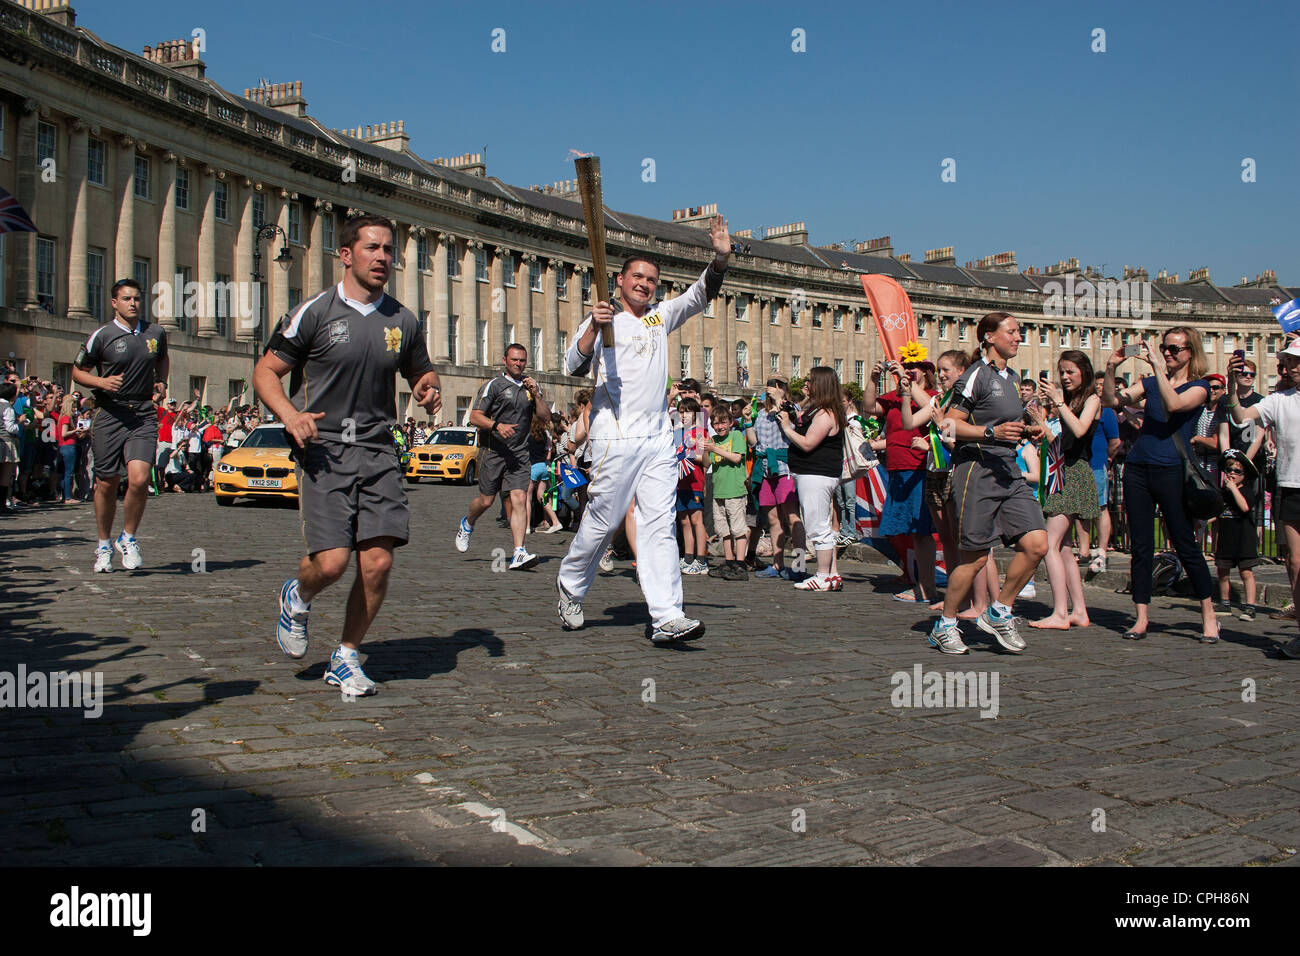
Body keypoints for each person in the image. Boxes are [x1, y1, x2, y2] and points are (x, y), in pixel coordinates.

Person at [254, 214, 442, 696]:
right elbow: (265, 374)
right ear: (345, 254)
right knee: (334, 563)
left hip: (379, 449)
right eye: (373, 248)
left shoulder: (401, 319)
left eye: (389, 249)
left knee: (377, 562)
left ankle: (346, 655)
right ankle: (298, 595)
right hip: (325, 449)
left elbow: (421, 372)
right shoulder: (313, 313)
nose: (383, 257)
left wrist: (428, 390)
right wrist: (289, 416)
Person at [555, 214, 732, 644]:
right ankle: (571, 586)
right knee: (604, 519)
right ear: (619, 280)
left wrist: (722, 258)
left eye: (652, 279)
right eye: (638, 276)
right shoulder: (601, 317)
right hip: (614, 433)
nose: (645, 284)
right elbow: (572, 365)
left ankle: (667, 615)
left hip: (656, 437)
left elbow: (699, 294)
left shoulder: (660, 317)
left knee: (658, 522)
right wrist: (594, 329)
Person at [928, 312, 1049, 655]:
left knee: (1037, 544)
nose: (1018, 337)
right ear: (990, 337)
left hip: (1008, 469)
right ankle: (946, 624)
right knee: (976, 557)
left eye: (1019, 331)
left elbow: (1005, 423)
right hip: (977, 471)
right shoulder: (975, 376)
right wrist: (991, 432)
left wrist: (1028, 429)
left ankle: (1000, 610)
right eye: (1011, 332)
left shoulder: (1011, 378)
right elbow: (948, 428)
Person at [1103, 328, 1218, 643]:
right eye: (1164, 348)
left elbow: (1175, 405)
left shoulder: (1200, 387)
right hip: (1138, 466)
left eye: (1174, 349)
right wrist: (1112, 368)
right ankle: (1141, 616)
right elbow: (1112, 400)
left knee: (1184, 543)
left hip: (1171, 469)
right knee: (1141, 546)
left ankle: (1208, 612)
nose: (1167, 353)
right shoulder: (1151, 383)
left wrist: (1155, 367)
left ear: (1190, 352)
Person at [71, 278, 168, 572]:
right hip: (110, 413)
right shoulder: (102, 336)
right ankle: (103, 544)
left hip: (141, 412)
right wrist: (101, 381)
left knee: (139, 479)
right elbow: (77, 371)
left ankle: (128, 537)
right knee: (106, 482)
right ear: (114, 303)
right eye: (127, 299)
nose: (133, 303)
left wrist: (161, 382)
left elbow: (162, 359)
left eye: (137, 298)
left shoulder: (155, 332)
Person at [1226, 342, 1300, 657]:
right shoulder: (1279, 400)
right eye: (1288, 361)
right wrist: (1231, 385)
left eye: (1296, 361)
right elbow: (1242, 415)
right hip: (1291, 484)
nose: (1292, 366)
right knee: (1295, 563)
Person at [454, 344, 550, 570]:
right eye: (515, 360)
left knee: (518, 498)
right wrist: (497, 426)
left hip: (519, 454)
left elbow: (545, 416)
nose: (519, 364)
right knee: (486, 500)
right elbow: (475, 417)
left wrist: (537, 394)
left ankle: (519, 552)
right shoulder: (493, 385)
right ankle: (467, 523)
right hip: (493, 451)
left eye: (523, 360)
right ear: (505, 360)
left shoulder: (530, 387)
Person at [1031, 350, 1100, 630]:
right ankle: (1079, 610)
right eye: (1062, 372)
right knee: (1065, 547)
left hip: (1075, 473)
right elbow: (1060, 439)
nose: (1065, 377)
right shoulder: (1068, 402)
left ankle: (1060, 612)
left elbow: (1081, 430)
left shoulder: (1092, 399)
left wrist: (1058, 403)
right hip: (1061, 470)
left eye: (1071, 371)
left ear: (1084, 372)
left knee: (1049, 543)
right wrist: (1039, 422)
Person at [865, 356, 939, 603]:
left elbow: (930, 406)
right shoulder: (895, 397)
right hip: (897, 467)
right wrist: (874, 379)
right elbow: (869, 407)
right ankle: (916, 578)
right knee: (905, 529)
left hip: (917, 466)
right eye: (904, 369)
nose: (907, 373)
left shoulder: (930, 394)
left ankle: (926, 585)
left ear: (926, 373)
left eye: (913, 370)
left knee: (920, 530)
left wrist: (908, 383)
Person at [778, 366, 846, 591]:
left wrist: (787, 428)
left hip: (817, 474)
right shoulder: (820, 409)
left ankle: (822, 575)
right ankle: (831, 573)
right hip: (813, 473)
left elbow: (807, 443)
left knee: (818, 527)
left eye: (811, 381)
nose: (806, 384)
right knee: (821, 525)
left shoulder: (826, 413)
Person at [746, 378, 806, 580]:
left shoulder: (791, 408)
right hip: (765, 469)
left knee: (792, 516)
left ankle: (799, 565)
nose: (771, 388)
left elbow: (797, 426)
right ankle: (777, 564)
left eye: (777, 385)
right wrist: (747, 422)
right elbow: (755, 444)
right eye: (770, 384)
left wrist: (782, 402)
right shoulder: (762, 414)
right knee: (773, 519)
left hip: (784, 467)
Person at [700, 403, 748, 580]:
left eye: (723, 422)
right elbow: (707, 463)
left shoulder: (735, 436)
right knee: (723, 530)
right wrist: (706, 449)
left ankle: (741, 564)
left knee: (738, 528)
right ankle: (729, 562)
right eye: (716, 424)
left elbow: (736, 458)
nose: (720, 427)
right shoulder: (715, 441)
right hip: (719, 491)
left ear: (730, 422)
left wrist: (714, 449)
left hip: (734, 490)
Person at [1214, 449, 1260, 621]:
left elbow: (1245, 507)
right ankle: (1225, 602)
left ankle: (1250, 606)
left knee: (1246, 572)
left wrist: (1233, 488)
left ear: (1244, 475)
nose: (1232, 474)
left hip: (1244, 538)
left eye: (1237, 471)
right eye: (1229, 470)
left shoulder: (1246, 491)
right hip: (1227, 537)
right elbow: (1217, 510)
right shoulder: (1223, 492)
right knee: (1222, 570)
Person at [1080, 381, 1120, 574]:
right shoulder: (1082, 408)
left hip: (1097, 464)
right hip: (1080, 465)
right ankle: (1084, 550)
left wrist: (1108, 459)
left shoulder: (1107, 412)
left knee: (1100, 507)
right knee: (1082, 510)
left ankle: (1102, 550)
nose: (1098, 388)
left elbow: (1115, 441)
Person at [526, 415, 563, 534]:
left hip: (533, 466)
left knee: (528, 498)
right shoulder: (544, 435)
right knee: (542, 495)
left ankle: (526, 526)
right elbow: (548, 454)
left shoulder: (528, 436)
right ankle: (555, 521)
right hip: (543, 466)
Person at [0, 377, 19, 513]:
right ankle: (2, 504)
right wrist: (21, 423)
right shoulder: (7, 406)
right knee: (5, 475)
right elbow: (10, 428)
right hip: (5, 440)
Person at [56, 394, 79, 504]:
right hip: (68, 446)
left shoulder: (62, 417)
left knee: (65, 473)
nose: (74, 409)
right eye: (73, 406)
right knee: (68, 473)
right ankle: (68, 497)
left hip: (63, 446)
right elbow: (64, 433)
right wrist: (76, 430)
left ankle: (65, 496)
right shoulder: (66, 417)